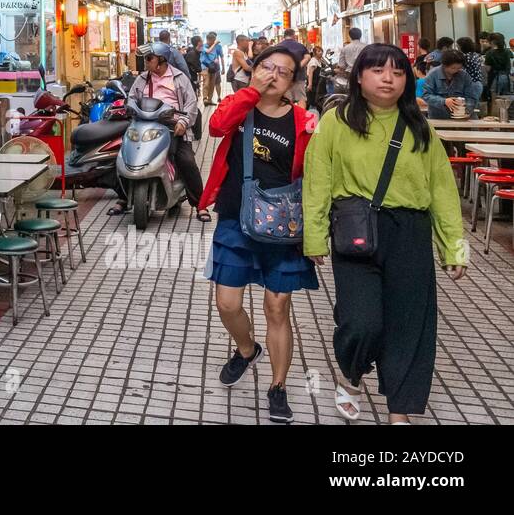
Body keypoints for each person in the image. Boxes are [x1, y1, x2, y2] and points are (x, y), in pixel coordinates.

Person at [303, 43, 467, 424]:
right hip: (356, 230)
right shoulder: (336, 123)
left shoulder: (420, 127)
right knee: (361, 322)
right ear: (358, 77)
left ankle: (400, 412)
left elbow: (442, 190)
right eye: (378, 70)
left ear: (407, 80)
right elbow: (317, 182)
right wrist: (314, 236)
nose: (388, 78)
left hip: (410, 233)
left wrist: (453, 248)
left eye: (397, 71)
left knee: (410, 324)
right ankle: (352, 371)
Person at [200, 41, 318, 423]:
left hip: (285, 227)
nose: (274, 75)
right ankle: (247, 350)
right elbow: (216, 126)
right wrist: (252, 91)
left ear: (293, 82)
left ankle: (278, 387)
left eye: (284, 72)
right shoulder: (239, 108)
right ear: (253, 69)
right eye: (267, 67)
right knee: (227, 304)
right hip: (236, 218)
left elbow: (313, 177)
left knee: (277, 307)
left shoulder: (303, 121)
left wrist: (317, 231)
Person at [107, 42, 203, 216]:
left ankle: (200, 205)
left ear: (161, 60)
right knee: (121, 155)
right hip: (143, 123)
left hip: (173, 125)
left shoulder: (179, 78)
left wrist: (183, 121)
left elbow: (191, 103)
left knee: (186, 160)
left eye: (149, 58)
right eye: (146, 58)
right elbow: (132, 97)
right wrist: (128, 106)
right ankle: (123, 197)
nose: (146, 61)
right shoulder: (143, 78)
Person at [420, 50, 482, 119]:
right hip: (438, 117)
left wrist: (466, 108)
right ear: (444, 65)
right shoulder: (433, 74)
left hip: (461, 118)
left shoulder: (464, 75)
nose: (456, 70)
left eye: (459, 68)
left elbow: (471, 96)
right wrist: (444, 101)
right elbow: (425, 95)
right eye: (453, 68)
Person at [484, 31, 511, 105]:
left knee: (495, 101)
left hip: (495, 78)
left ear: (492, 42)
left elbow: (488, 69)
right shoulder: (507, 51)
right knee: (506, 101)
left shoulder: (489, 53)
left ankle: (496, 115)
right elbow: (509, 65)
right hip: (506, 78)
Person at [201, 32, 225, 104]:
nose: (214, 42)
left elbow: (221, 56)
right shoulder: (203, 46)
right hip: (205, 67)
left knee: (212, 84)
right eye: (213, 40)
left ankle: (210, 100)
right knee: (206, 83)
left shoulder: (218, 47)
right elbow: (208, 51)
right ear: (208, 40)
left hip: (214, 68)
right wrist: (214, 44)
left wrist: (222, 67)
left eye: (214, 40)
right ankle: (205, 98)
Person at [306, 44, 326, 110]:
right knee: (312, 101)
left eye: (321, 51)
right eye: (318, 51)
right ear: (314, 53)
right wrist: (310, 84)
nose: (321, 52)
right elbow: (311, 73)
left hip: (317, 83)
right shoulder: (313, 61)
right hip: (313, 84)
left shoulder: (319, 60)